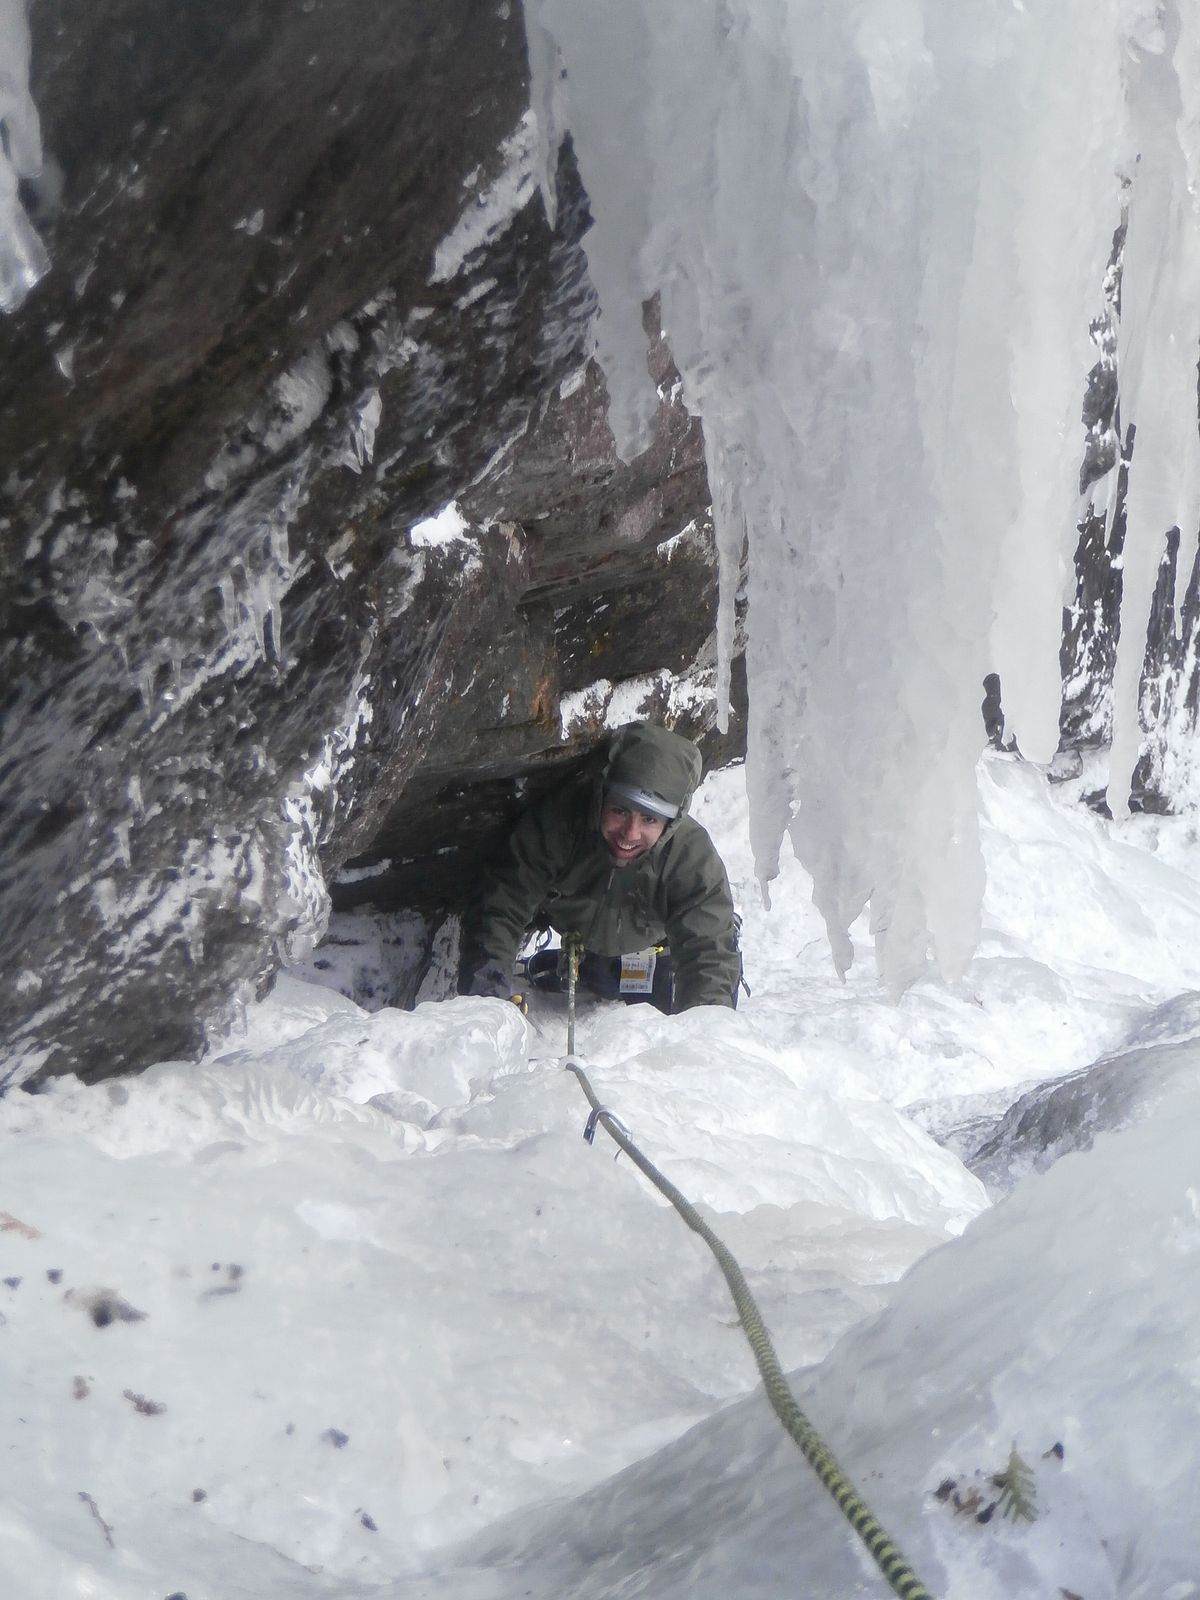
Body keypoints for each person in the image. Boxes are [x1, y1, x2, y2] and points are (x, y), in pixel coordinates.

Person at [459, 720, 741, 1014]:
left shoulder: (690, 858)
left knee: (655, 994)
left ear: (671, 823)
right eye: (620, 811)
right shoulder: (560, 826)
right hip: (585, 942)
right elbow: (504, 903)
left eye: (649, 820)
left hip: (656, 949)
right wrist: (486, 1002)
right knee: (599, 980)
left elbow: (708, 953)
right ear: (602, 798)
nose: (630, 834)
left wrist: (706, 1034)